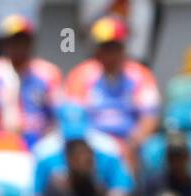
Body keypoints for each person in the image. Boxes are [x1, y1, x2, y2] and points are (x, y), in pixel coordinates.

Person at [63, 16, 159, 159]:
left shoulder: (140, 74)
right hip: (93, 142)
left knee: (154, 150)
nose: (111, 53)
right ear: (96, 49)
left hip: (131, 141)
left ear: (123, 48)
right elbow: (74, 117)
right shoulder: (80, 75)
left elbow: (150, 117)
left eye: (115, 47)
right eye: (106, 47)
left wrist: (134, 142)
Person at [0, 15, 61, 145]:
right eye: (14, 41)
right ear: (4, 43)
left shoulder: (47, 73)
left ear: (31, 43)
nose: (18, 46)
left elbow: (58, 114)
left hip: (40, 140)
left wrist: (48, 141)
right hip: (2, 143)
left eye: (23, 41)